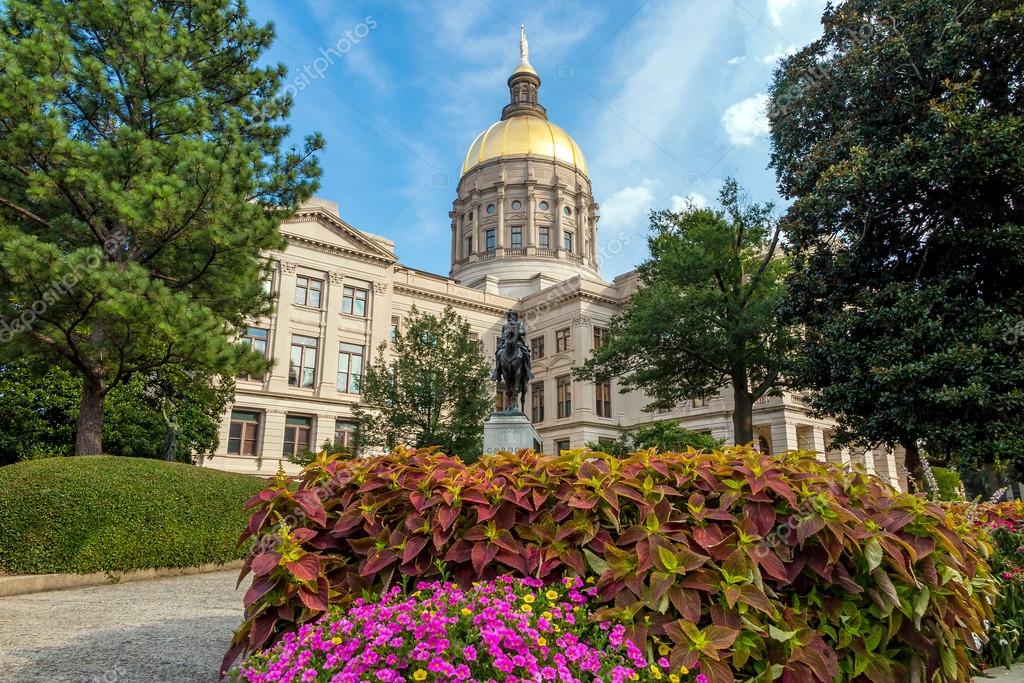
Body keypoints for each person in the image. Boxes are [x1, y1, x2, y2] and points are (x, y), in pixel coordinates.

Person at [492, 310, 533, 381]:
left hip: (518, 343)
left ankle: (528, 370)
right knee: (498, 354)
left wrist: (518, 332)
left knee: (526, 353)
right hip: (506, 343)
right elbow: (502, 335)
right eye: (510, 316)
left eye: (513, 316)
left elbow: (523, 332)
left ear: (515, 317)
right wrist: (504, 339)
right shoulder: (505, 326)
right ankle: (497, 371)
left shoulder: (519, 324)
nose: (511, 317)